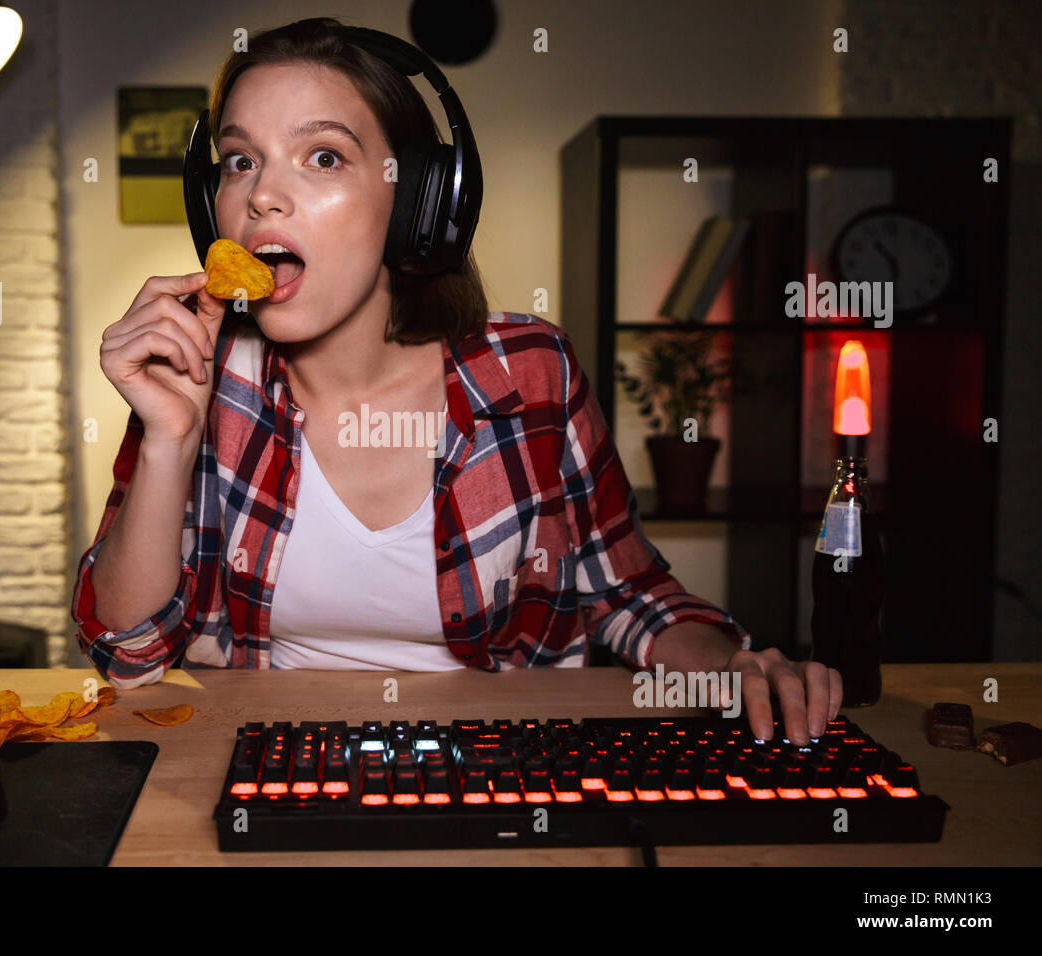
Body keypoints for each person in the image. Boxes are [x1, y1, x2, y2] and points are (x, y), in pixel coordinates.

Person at [71, 17, 842, 746]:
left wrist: (730, 666)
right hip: (265, 759)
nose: (262, 196)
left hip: (497, 761)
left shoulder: (528, 370)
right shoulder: (207, 381)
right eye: (241, 161)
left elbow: (626, 593)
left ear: (416, 202)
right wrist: (172, 440)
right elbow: (131, 658)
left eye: (324, 157)